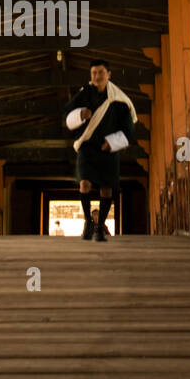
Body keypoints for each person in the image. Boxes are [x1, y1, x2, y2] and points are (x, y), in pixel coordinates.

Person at [63, 59, 137, 242]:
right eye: (94, 73)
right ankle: (88, 222)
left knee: (106, 189)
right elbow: (67, 114)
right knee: (84, 184)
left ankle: (100, 228)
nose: (97, 76)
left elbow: (129, 129)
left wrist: (113, 142)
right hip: (87, 145)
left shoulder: (119, 100)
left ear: (109, 74)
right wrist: (80, 115)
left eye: (101, 73)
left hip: (109, 148)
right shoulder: (84, 94)